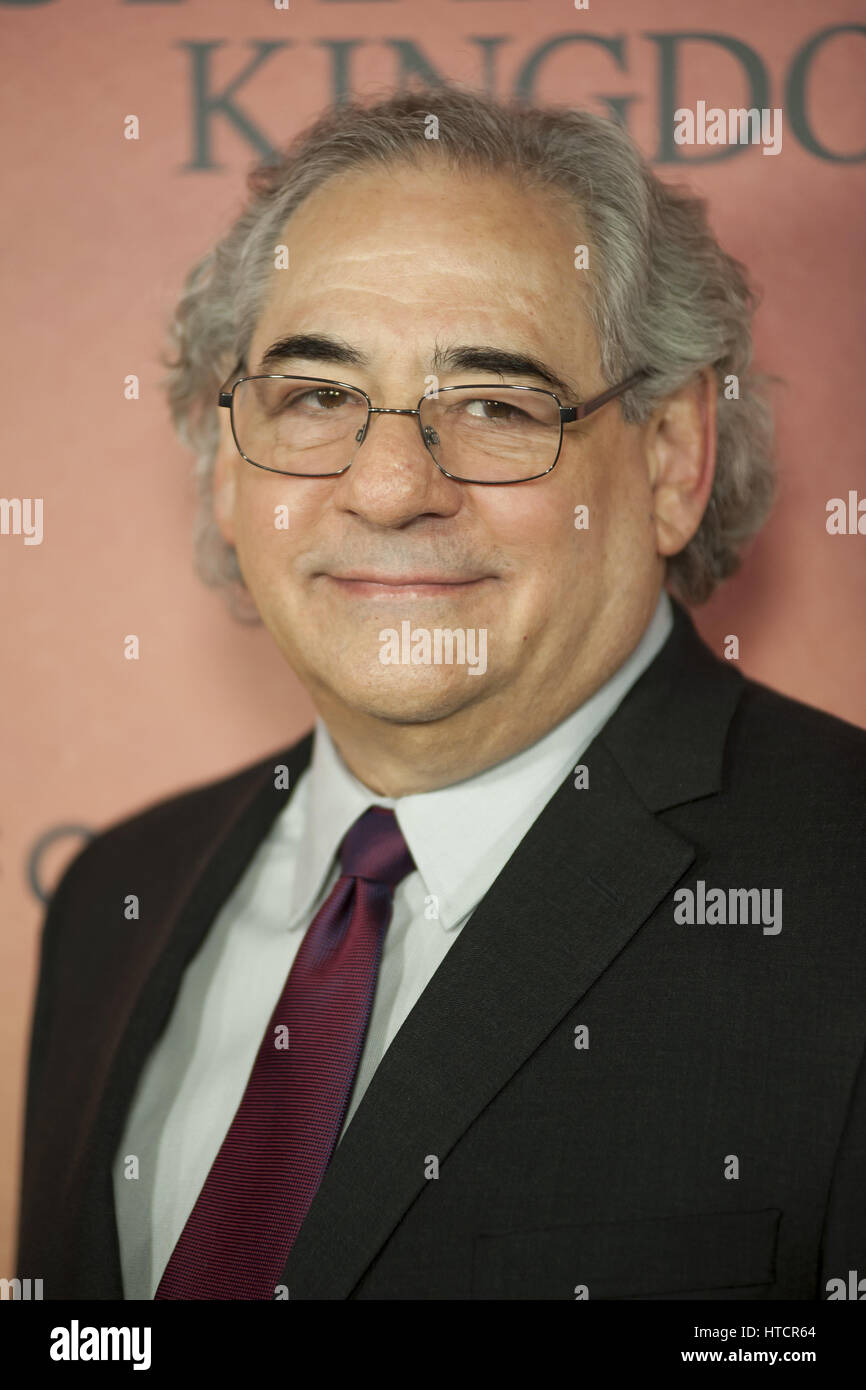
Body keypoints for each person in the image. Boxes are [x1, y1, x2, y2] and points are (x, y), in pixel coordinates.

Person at [17, 83, 866, 1301]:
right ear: (221, 466)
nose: (388, 487)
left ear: (672, 456)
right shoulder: (115, 898)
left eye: (493, 404)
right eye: (315, 397)